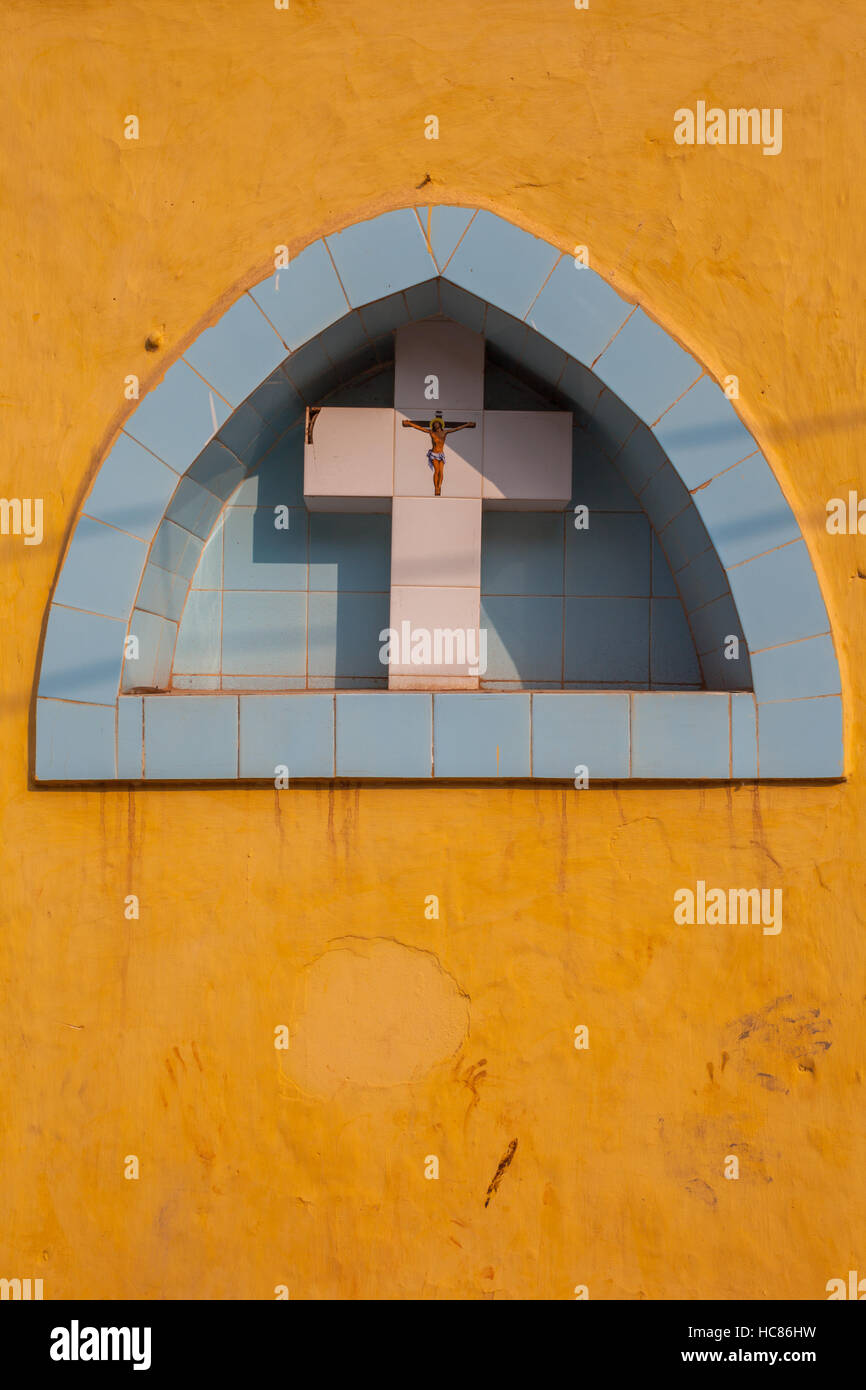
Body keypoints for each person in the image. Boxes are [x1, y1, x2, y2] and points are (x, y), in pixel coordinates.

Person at [401, 413, 476, 496]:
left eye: (437, 423)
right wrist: (410, 423)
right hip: (434, 454)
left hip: (441, 454)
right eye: (434, 424)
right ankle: (436, 487)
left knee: (441, 471)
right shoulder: (431, 432)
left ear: (440, 425)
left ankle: (439, 486)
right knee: (437, 471)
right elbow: (420, 428)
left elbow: (456, 428)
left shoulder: (445, 432)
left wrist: (467, 425)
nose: (435, 425)